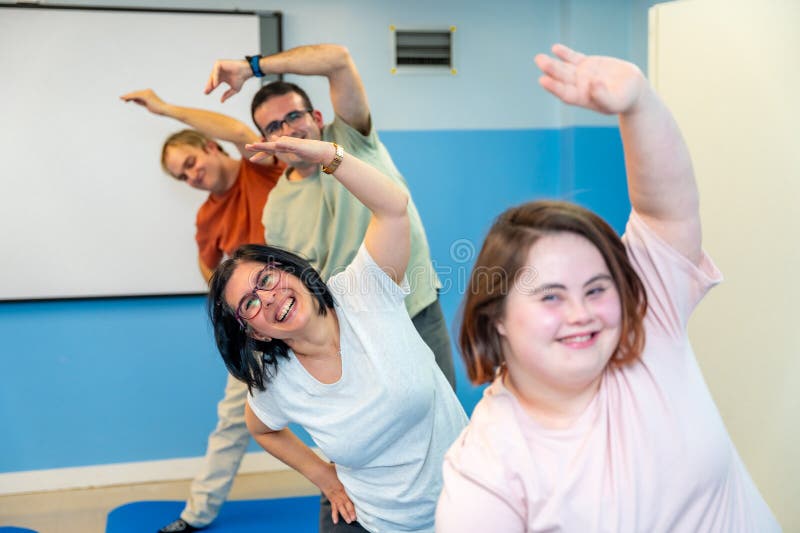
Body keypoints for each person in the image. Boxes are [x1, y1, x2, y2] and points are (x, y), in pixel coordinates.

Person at [435, 44, 780, 532]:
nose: (582, 313)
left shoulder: (650, 322)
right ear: (498, 318)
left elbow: (666, 212)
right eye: (551, 296)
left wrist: (638, 104)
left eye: (596, 289)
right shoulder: (485, 473)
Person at [209, 135, 468, 532]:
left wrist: (328, 156)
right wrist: (324, 477)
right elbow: (261, 428)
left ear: (289, 270)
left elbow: (393, 208)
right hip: (380, 522)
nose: (269, 297)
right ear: (254, 332)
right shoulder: (275, 381)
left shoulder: (363, 289)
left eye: (266, 278)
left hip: (468, 504)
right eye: (250, 303)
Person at [204, 44, 457, 391]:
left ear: (317, 118)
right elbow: (301, 280)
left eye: (294, 116)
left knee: (441, 405)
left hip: (414, 307)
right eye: (275, 126)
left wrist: (252, 67)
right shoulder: (277, 207)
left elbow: (337, 59)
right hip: (354, 332)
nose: (288, 129)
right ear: (267, 140)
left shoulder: (349, 141)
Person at [120, 89, 285, 533]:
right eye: (182, 176)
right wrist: (234, 307)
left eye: (191, 163)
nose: (191, 177)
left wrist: (165, 109)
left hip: (305, 315)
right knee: (232, 421)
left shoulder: (261, 168)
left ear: (210, 146)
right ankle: (196, 514)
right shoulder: (207, 218)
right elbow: (208, 268)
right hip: (258, 332)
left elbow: (238, 131)